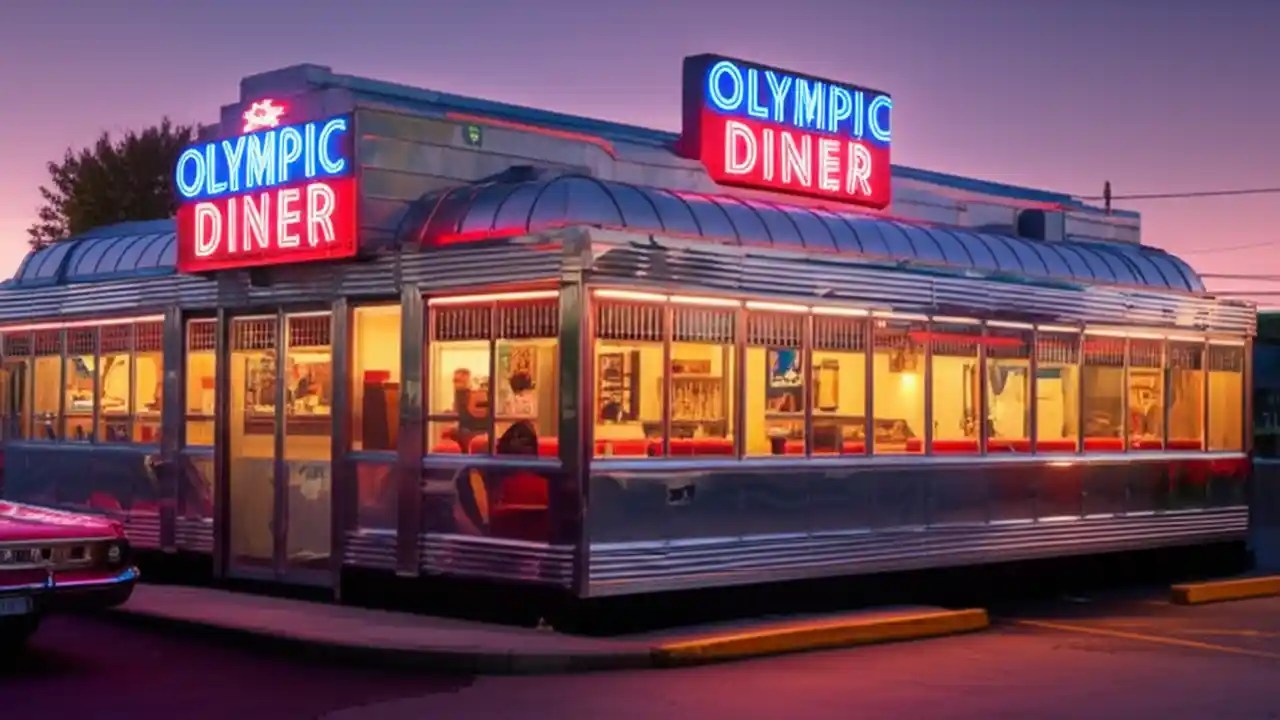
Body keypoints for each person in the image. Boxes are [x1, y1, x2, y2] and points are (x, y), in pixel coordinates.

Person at [451, 368, 489, 452]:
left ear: (468, 380)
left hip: (474, 432)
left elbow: (483, 413)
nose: (456, 384)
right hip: (467, 432)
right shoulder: (459, 395)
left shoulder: (476, 394)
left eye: (458, 380)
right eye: (455, 380)